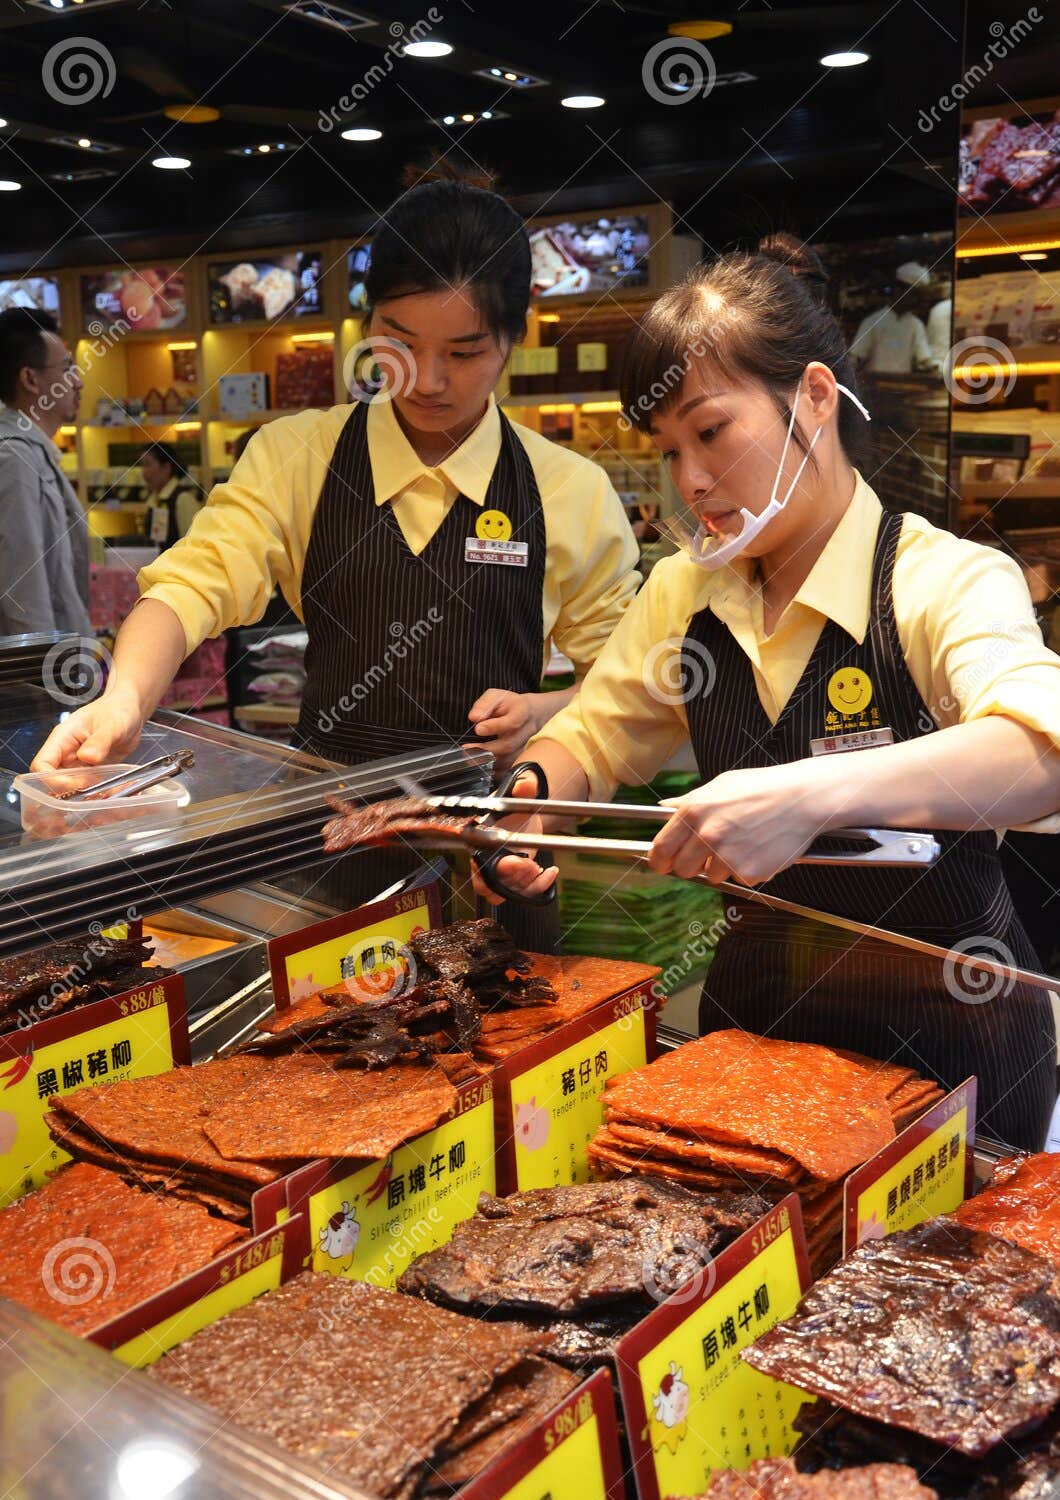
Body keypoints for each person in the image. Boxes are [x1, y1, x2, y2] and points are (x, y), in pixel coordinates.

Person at [485, 235, 1060, 1150]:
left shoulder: (940, 579)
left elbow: (1038, 753)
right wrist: (530, 804)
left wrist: (804, 794)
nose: (694, 481)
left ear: (815, 399)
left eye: (710, 431)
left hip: (958, 1038)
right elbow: (593, 741)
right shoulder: (685, 591)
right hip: (757, 1030)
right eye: (669, 449)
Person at [34, 167, 638, 815]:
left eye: (463, 354)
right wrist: (124, 698)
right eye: (399, 342)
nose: (428, 380)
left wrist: (545, 710)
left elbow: (628, 689)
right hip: (327, 829)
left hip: (498, 835)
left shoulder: (570, 489)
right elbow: (189, 585)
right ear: (368, 319)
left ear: (515, 337)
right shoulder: (299, 456)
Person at [0, 307, 89, 637]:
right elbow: (22, 590)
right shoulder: (13, 459)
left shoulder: (32, 452)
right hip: (40, 673)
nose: (78, 382)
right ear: (30, 379)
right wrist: (46, 679)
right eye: (67, 369)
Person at [141, 441, 202, 548]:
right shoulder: (154, 500)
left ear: (166, 468)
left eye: (147, 464)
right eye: (142, 465)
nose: (143, 472)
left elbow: (192, 547)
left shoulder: (183, 498)